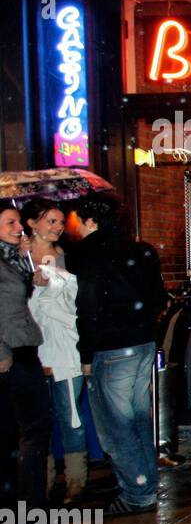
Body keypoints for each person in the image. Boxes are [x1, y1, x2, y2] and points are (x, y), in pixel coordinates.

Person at [65, 194, 167, 516]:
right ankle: (145, 484)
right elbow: (158, 298)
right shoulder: (140, 250)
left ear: (91, 221)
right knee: (137, 419)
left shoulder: (88, 254)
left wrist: (85, 352)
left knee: (115, 426)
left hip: (110, 347)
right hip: (142, 343)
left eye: (77, 220)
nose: (75, 227)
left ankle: (137, 493)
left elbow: (89, 308)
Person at [22, 199, 88, 503]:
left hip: (65, 344)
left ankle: (75, 482)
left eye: (61, 222)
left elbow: (77, 303)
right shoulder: (16, 257)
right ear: (33, 223)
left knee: (69, 414)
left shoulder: (68, 258)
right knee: (36, 419)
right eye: (51, 221)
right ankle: (41, 482)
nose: (58, 227)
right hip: (30, 346)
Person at [0, 206, 51, 509]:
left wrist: (30, 275)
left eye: (18, 221)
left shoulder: (13, 256)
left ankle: (29, 499)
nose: (18, 226)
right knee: (21, 429)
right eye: (10, 222)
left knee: (33, 427)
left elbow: (14, 297)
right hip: (9, 352)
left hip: (24, 348)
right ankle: (22, 504)